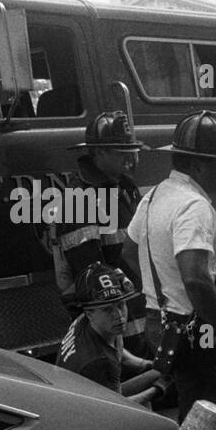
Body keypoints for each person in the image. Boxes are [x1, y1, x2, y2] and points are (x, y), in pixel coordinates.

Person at [128, 110, 216, 422]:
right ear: (197, 165)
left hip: (162, 325)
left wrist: (159, 296)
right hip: (196, 330)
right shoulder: (194, 206)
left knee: (192, 402)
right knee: (209, 416)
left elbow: (130, 251)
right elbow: (195, 278)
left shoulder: (154, 196)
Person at [54, 112, 148, 330]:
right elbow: (92, 276)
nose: (129, 157)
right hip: (115, 319)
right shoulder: (79, 199)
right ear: (98, 152)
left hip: (139, 309)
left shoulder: (124, 186)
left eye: (129, 150)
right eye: (119, 151)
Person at [56, 263, 154, 394]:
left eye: (120, 305)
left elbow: (116, 349)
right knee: (160, 378)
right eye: (108, 310)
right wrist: (159, 388)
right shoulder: (99, 362)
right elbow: (119, 409)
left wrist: (145, 364)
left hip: (90, 395)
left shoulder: (86, 321)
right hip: (86, 410)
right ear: (89, 313)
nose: (119, 316)